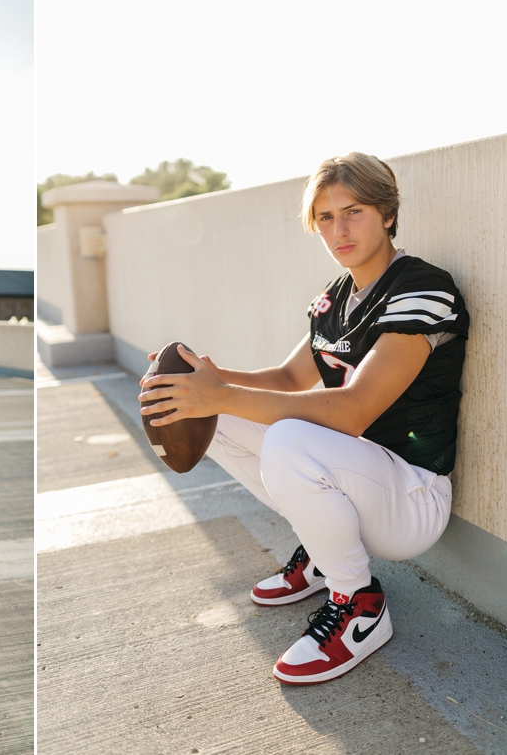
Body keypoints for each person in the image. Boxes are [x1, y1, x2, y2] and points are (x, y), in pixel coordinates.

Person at [139, 152, 468, 684]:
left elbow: (354, 408)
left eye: (353, 211)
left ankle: (359, 604)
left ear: (387, 213)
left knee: (290, 439)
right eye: (324, 218)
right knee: (213, 418)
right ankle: (324, 550)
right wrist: (202, 381)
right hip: (360, 477)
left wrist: (219, 393)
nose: (338, 230)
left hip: (412, 496)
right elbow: (291, 380)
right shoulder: (333, 299)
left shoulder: (422, 288)